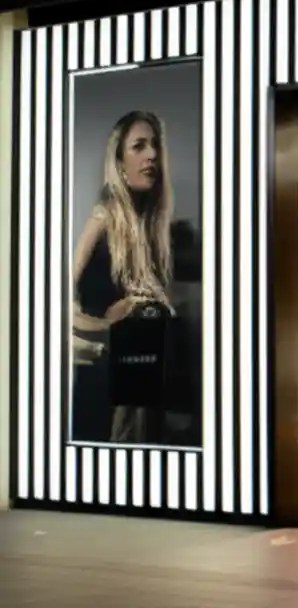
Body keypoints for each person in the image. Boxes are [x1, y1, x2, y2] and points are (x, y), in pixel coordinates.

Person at [71, 110, 174, 444]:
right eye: (139, 146)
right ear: (119, 163)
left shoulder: (150, 229)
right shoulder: (102, 219)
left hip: (139, 380)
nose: (152, 155)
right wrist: (105, 325)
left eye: (155, 145)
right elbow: (54, 305)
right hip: (102, 392)